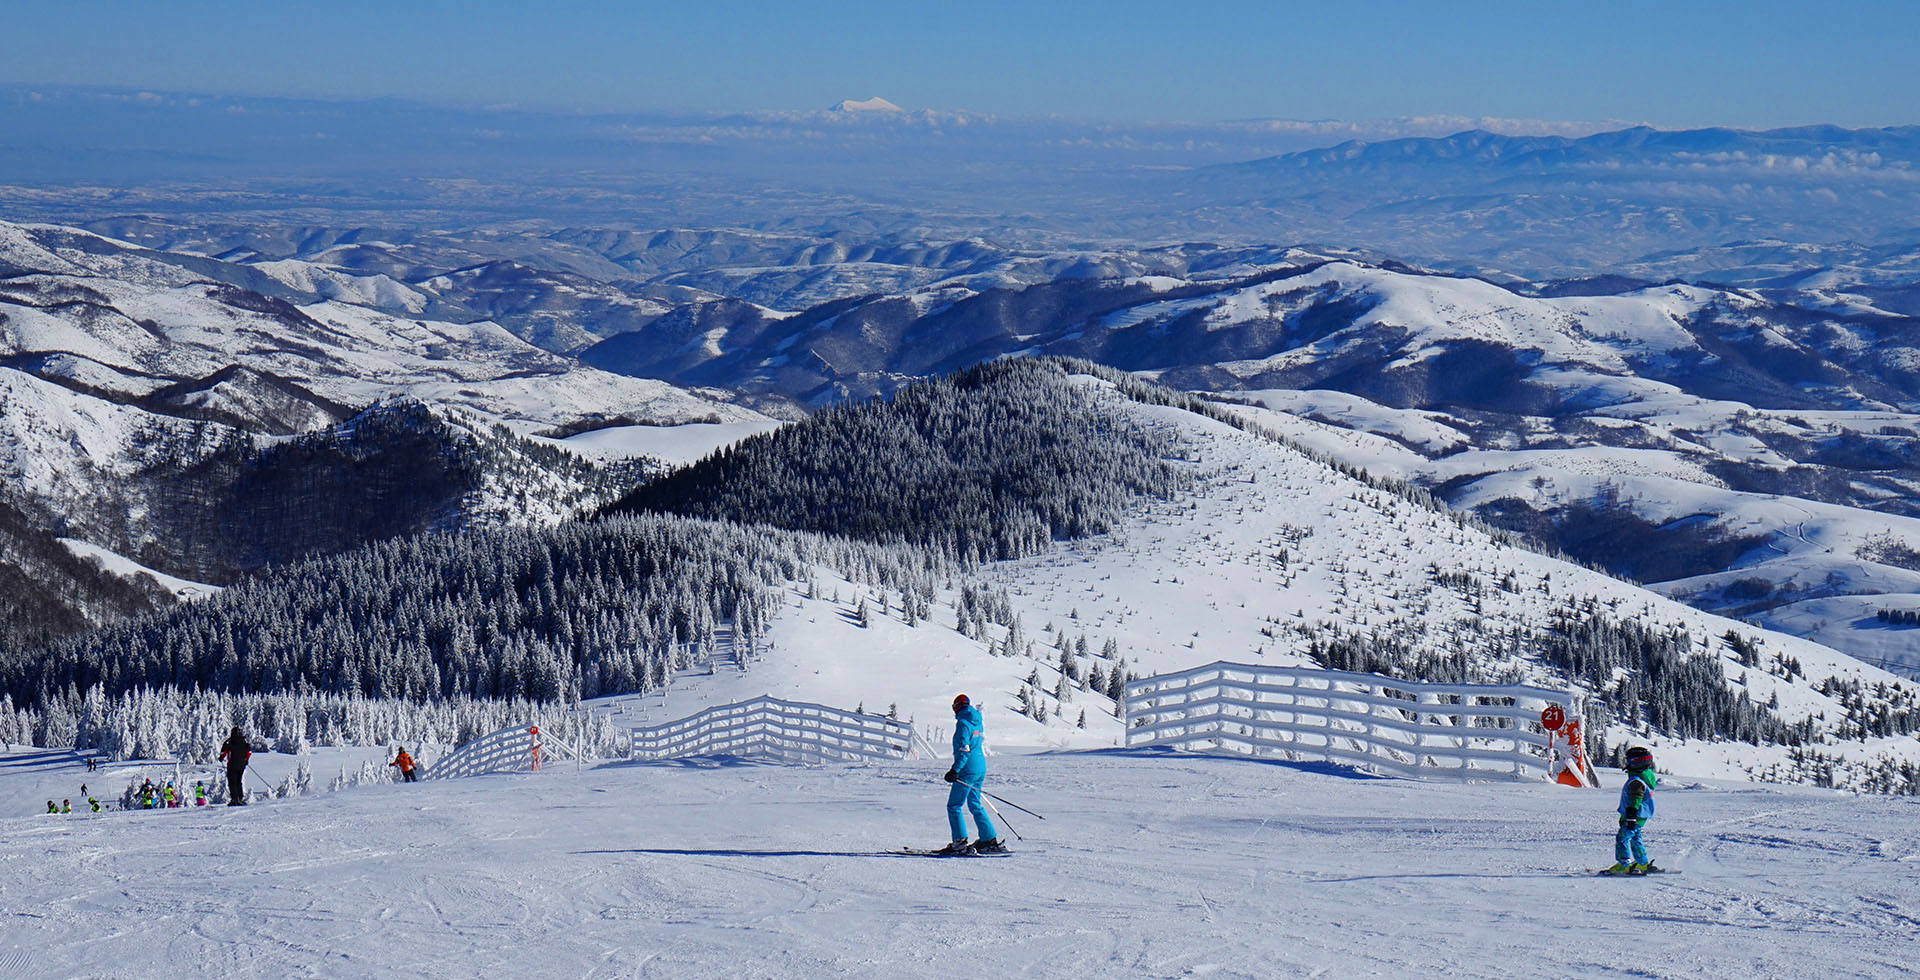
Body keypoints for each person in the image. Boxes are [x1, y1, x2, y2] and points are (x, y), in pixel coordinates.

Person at [938, 694, 1004, 855]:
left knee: (954, 806)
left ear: (957, 707)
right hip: (980, 767)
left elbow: (964, 750)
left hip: (967, 769)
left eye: (954, 707)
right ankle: (988, 839)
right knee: (974, 803)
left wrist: (955, 770)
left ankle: (959, 843)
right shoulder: (977, 721)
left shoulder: (963, 723)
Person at [1606, 745, 1659, 874]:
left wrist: (1630, 816)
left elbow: (1636, 799)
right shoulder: (1644, 777)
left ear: (1636, 763)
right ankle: (1642, 863)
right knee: (1636, 838)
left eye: (1629, 761)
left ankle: (1624, 864)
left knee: (1622, 838)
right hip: (1640, 816)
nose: (1627, 764)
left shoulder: (1636, 781)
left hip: (1635, 815)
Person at [218, 727, 252, 806]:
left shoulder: (230, 742)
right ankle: (240, 798)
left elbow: (223, 752)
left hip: (232, 765)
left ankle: (235, 799)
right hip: (241, 765)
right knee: (238, 782)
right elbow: (249, 751)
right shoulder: (244, 741)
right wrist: (246, 759)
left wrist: (221, 758)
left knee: (232, 783)